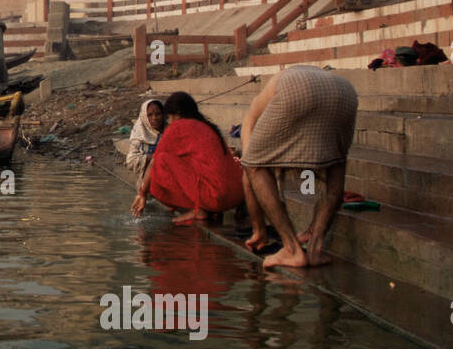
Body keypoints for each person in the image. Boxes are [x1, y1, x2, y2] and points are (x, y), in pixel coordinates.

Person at [239, 65, 358, 269]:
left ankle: (292, 250)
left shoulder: (260, 101)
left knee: (253, 167)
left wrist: (259, 228)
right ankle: (315, 250)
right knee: (336, 165)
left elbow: (249, 133)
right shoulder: (309, 75)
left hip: (297, 88)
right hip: (345, 92)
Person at [131, 92, 243, 225]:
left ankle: (199, 210)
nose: (168, 121)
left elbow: (154, 162)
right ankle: (205, 208)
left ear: (176, 114)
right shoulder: (207, 126)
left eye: (169, 117)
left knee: (161, 160)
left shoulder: (178, 127)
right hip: (237, 195)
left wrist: (142, 194)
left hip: (217, 198)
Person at [125, 99, 165, 178]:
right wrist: (152, 158)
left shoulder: (170, 131)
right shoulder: (139, 134)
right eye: (150, 115)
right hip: (147, 181)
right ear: (144, 117)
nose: (154, 118)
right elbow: (130, 161)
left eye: (158, 114)